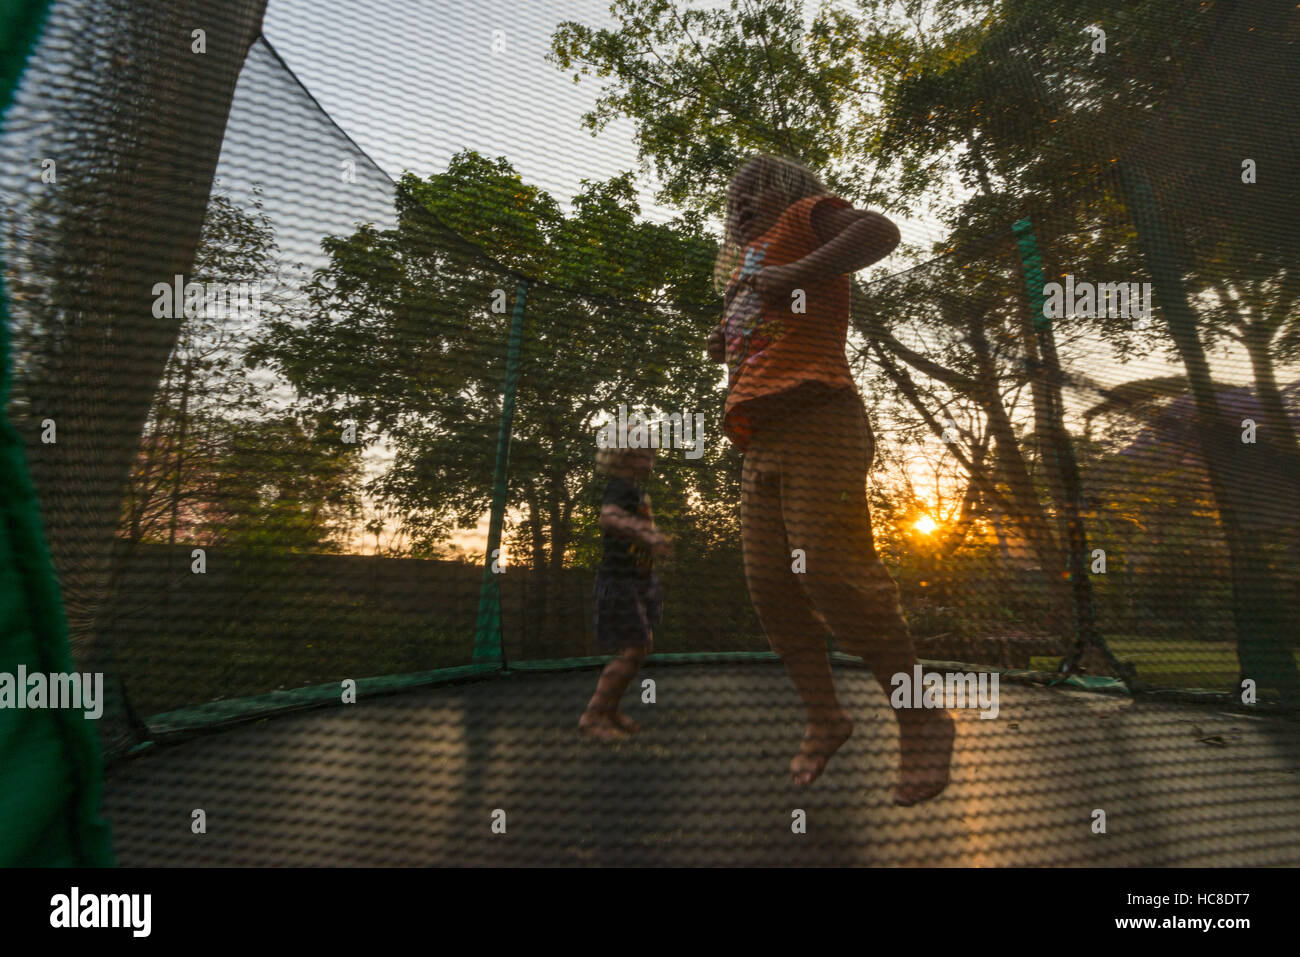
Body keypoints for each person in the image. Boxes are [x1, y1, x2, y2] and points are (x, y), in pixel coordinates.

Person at [707, 153, 955, 805]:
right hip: (758, 441)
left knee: (830, 567)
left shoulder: (803, 218)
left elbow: (880, 233)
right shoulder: (739, 267)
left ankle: (921, 718)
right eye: (734, 193)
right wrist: (723, 331)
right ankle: (825, 716)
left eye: (756, 185)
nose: (743, 198)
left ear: (789, 189)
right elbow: (753, 326)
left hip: (820, 415)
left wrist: (794, 269)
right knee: (770, 587)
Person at [578, 444, 670, 741]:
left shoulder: (636, 491)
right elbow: (609, 517)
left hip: (639, 580)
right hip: (620, 582)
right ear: (625, 457)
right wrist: (645, 533)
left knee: (638, 650)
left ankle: (610, 710)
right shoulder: (619, 489)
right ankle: (592, 716)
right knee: (634, 650)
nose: (653, 457)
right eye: (647, 452)